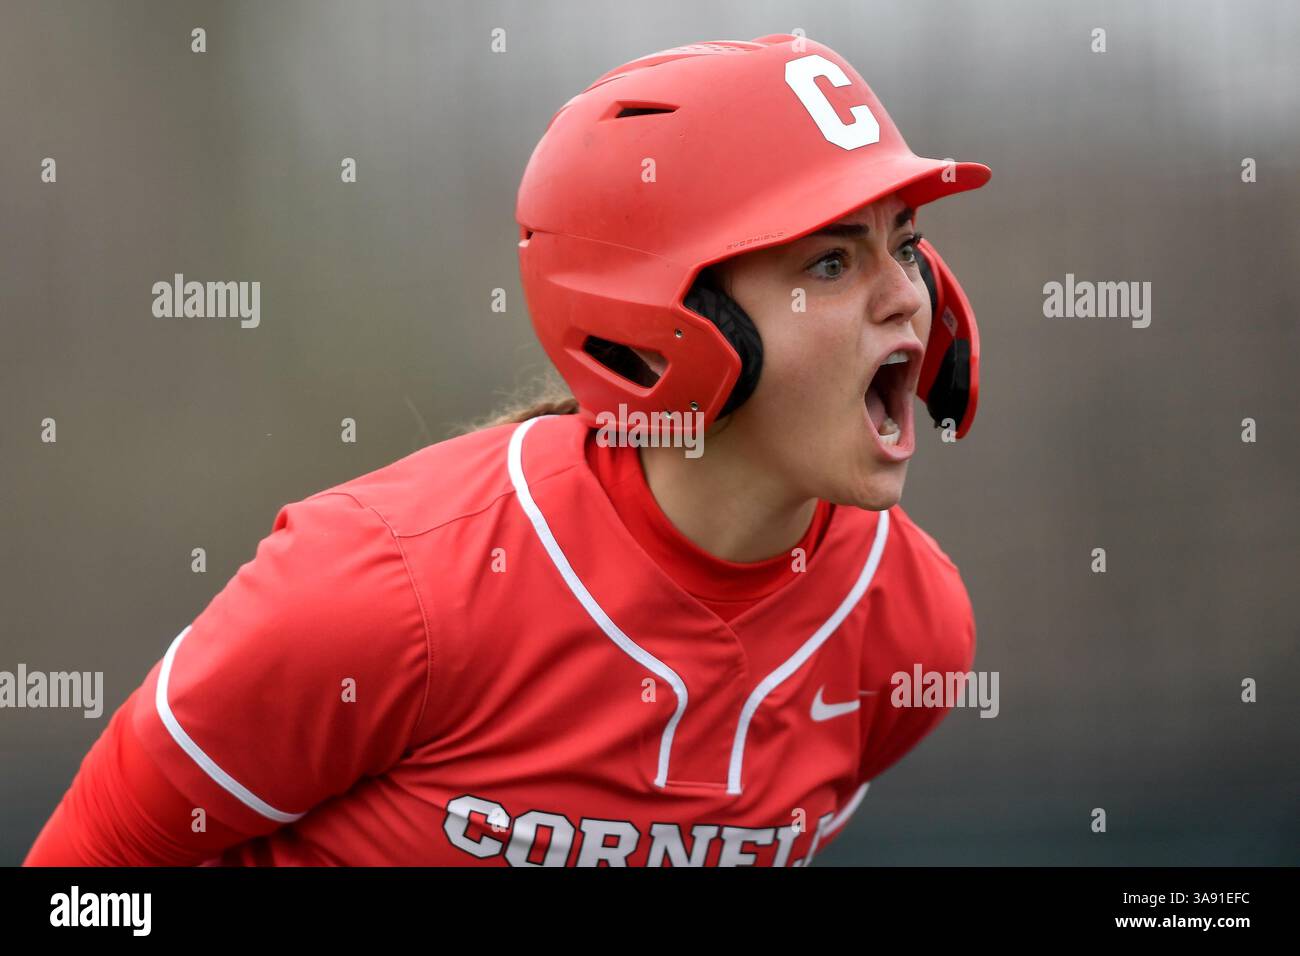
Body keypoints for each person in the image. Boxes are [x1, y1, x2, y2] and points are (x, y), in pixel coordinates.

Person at [24, 33, 989, 867]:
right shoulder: (381, 593)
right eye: (830, 259)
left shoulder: (911, 628)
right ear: (665, 321)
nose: (908, 294)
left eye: (903, 243)